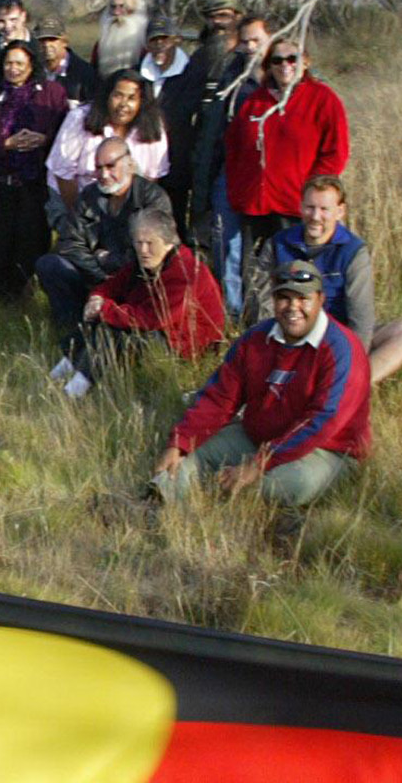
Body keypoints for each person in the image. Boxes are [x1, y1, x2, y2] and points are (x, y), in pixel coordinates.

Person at [151, 267, 367, 508]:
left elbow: (324, 420)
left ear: (320, 300)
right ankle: (156, 506)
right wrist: (179, 442)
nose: (293, 307)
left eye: (303, 299)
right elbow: (218, 398)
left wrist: (258, 464)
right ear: (274, 301)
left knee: (292, 484)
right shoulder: (254, 340)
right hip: (258, 438)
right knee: (190, 455)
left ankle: (221, 502)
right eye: (284, 298)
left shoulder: (342, 348)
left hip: (324, 450)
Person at [225, 35, 349, 307]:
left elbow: (335, 153)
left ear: (305, 61)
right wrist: (237, 189)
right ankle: (254, 328)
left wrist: (312, 194)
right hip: (253, 205)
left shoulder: (323, 99)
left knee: (295, 274)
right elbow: (233, 148)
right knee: (254, 273)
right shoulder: (255, 101)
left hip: (294, 207)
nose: (285, 65)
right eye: (277, 60)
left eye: (292, 58)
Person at [49, 208, 222, 398]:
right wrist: (97, 298)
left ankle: (74, 392)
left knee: (113, 332)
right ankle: (58, 374)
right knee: (99, 322)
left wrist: (104, 309)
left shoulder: (186, 273)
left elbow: (152, 318)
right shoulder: (146, 263)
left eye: (150, 243)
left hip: (184, 343)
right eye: (139, 243)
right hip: (159, 330)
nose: (143, 250)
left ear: (168, 243)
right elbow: (113, 284)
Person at [263, 176, 402, 382]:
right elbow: (261, 300)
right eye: (310, 207)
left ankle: (353, 387)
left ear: (340, 211)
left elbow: (361, 316)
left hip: (338, 338)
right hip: (290, 333)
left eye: (324, 209)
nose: (315, 216)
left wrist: (351, 359)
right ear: (300, 207)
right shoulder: (278, 244)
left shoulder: (353, 251)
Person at [35, 138, 174, 339]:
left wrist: (109, 261)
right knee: (49, 264)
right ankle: (73, 327)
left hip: (135, 282)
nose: (104, 174)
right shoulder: (89, 195)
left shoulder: (152, 198)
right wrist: (100, 276)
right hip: (93, 277)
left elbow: (153, 251)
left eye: (111, 166)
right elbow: (69, 243)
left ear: (129, 164)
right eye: (98, 168)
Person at [0, 39, 70, 299]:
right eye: (9, 63)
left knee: (31, 242)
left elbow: (65, 132)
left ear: (31, 64)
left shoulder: (52, 93)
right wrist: (7, 143)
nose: (13, 69)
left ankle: (26, 295)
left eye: (20, 63)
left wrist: (44, 140)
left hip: (35, 185)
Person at [188, 13, 269, 310]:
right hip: (231, 172)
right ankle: (234, 317)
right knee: (228, 247)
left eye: (256, 41)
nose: (249, 47)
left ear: (271, 40)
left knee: (271, 251)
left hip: (275, 179)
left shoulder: (289, 73)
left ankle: (272, 317)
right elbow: (212, 135)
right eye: (244, 41)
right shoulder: (231, 75)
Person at [47, 70, 170, 202]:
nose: (123, 104)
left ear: (142, 102)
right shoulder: (79, 118)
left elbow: (151, 178)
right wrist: (78, 216)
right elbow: (63, 173)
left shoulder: (153, 125)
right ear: (107, 96)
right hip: (75, 196)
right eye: (118, 96)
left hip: (127, 202)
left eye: (131, 98)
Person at [143, 20, 200, 232]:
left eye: (164, 39)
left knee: (174, 218)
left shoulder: (192, 74)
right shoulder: (138, 73)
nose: (159, 45)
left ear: (176, 40)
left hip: (177, 158)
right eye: (154, 40)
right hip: (143, 160)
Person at [33, 17, 99, 104]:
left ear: (65, 42)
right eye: (42, 40)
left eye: (52, 39)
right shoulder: (32, 71)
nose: (47, 44)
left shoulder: (84, 74)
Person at [93, 0, 149, 78]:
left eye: (122, 6)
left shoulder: (146, 47)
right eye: (113, 7)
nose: (116, 13)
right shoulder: (100, 46)